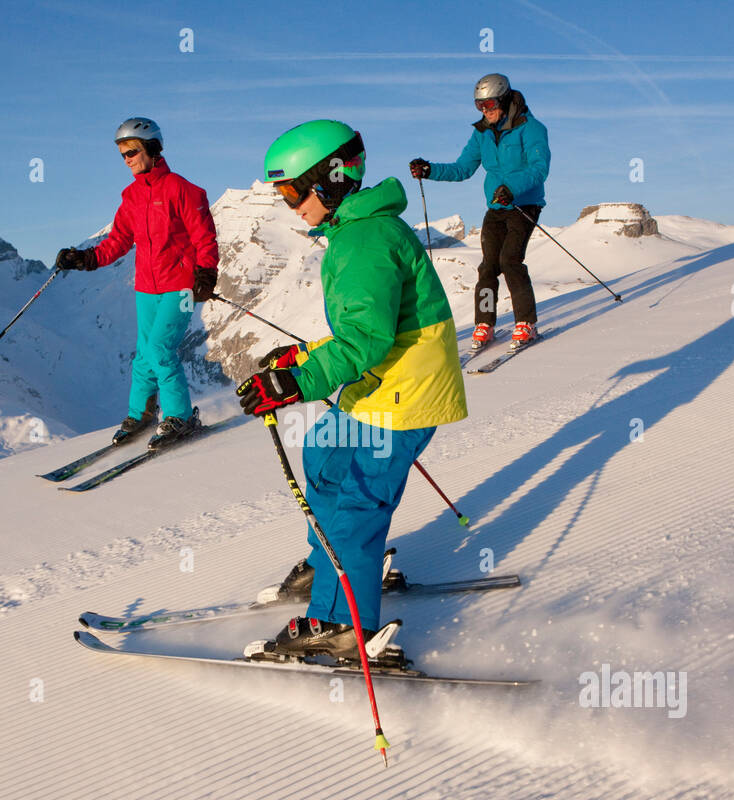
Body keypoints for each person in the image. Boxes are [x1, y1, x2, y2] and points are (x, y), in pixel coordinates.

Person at [235, 120, 468, 661]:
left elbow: (366, 338)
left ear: (329, 180)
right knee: (323, 457)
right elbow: (362, 332)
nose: (289, 204)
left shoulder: (363, 240)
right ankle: (329, 564)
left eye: (292, 191)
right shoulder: (356, 232)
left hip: (401, 397)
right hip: (379, 386)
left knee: (356, 507)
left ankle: (343, 626)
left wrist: (297, 382)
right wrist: (301, 359)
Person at [55, 117, 220, 449]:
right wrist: (84, 259)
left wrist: (206, 274)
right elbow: (117, 241)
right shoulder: (131, 197)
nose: (127, 159)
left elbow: (205, 239)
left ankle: (180, 417)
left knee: (160, 348)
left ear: (152, 148)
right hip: (147, 287)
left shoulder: (183, 190)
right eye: (122, 154)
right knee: (144, 355)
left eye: (131, 151)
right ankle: (142, 415)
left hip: (181, 287)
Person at [409, 73, 550, 349]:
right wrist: (430, 170)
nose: (486, 111)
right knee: (487, 266)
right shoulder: (481, 133)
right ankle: (484, 323)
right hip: (497, 206)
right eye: (480, 106)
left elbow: (539, 169)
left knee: (510, 260)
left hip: (524, 204)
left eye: (490, 104)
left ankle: (527, 323)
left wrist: (512, 187)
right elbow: (463, 168)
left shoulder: (531, 128)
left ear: (506, 99)